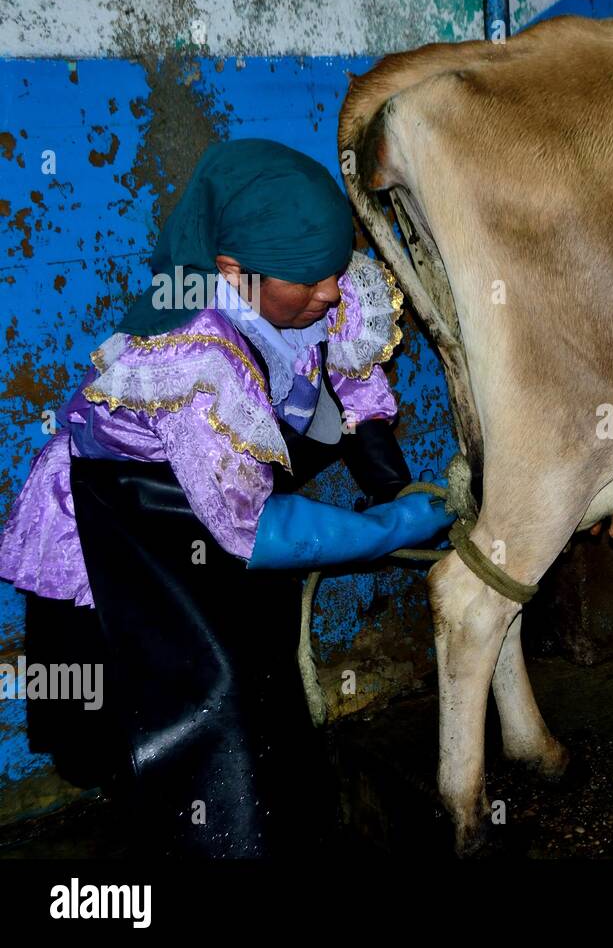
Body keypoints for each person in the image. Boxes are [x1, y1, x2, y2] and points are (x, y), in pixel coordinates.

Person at [0, 138, 452, 857]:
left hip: (203, 506)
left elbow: (354, 383)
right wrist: (388, 528)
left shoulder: (314, 289)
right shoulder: (197, 358)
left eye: (336, 273)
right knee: (149, 707)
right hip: (111, 522)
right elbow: (258, 530)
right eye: (310, 281)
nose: (332, 292)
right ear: (235, 273)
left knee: (246, 675)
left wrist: (393, 481)